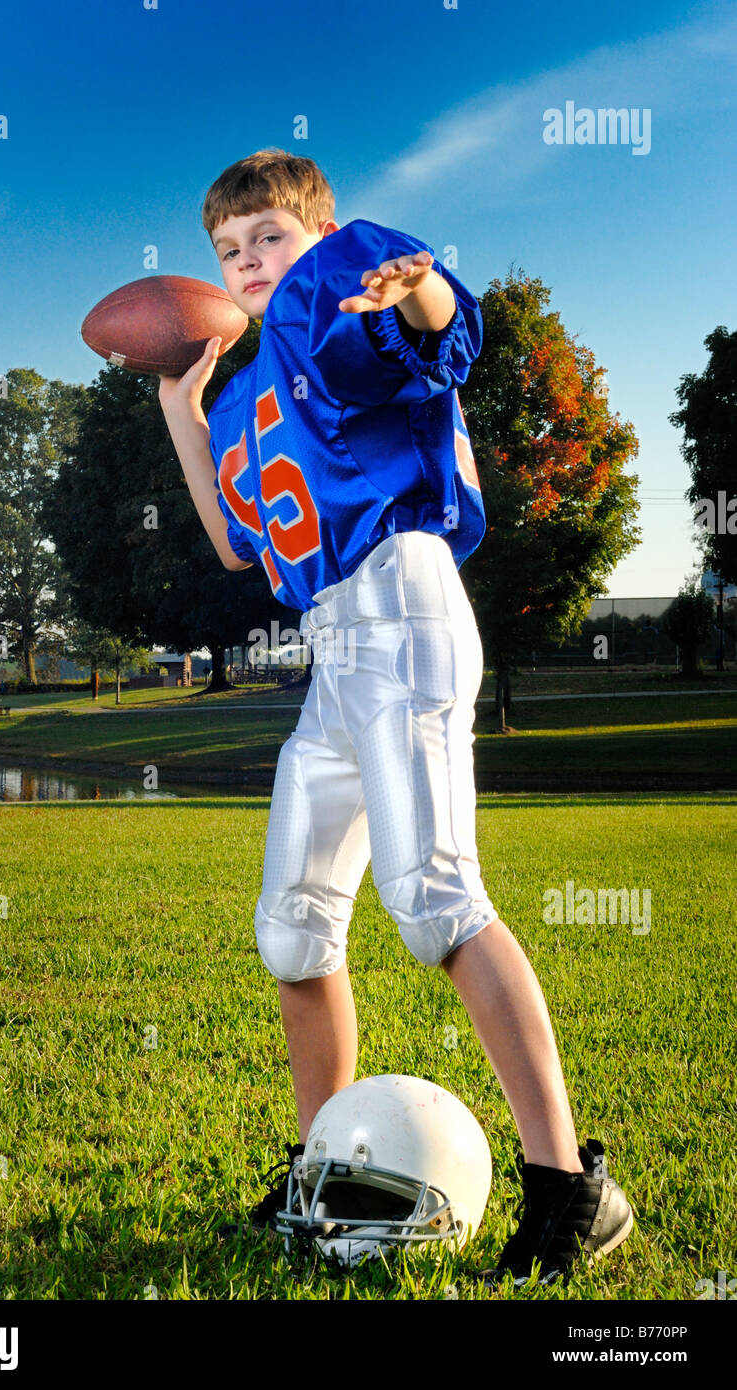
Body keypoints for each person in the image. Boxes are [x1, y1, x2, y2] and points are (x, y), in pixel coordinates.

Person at [157, 149, 632, 1286]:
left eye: (266, 236)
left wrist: (415, 287)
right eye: (229, 250)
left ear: (312, 233)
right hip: (333, 644)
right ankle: (323, 1167)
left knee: (435, 899)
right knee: (294, 922)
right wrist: (181, 408)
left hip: (406, 600)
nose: (248, 260)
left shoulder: (340, 276)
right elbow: (234, 545)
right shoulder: (242, 392)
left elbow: (444, 332)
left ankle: (571, 1185)